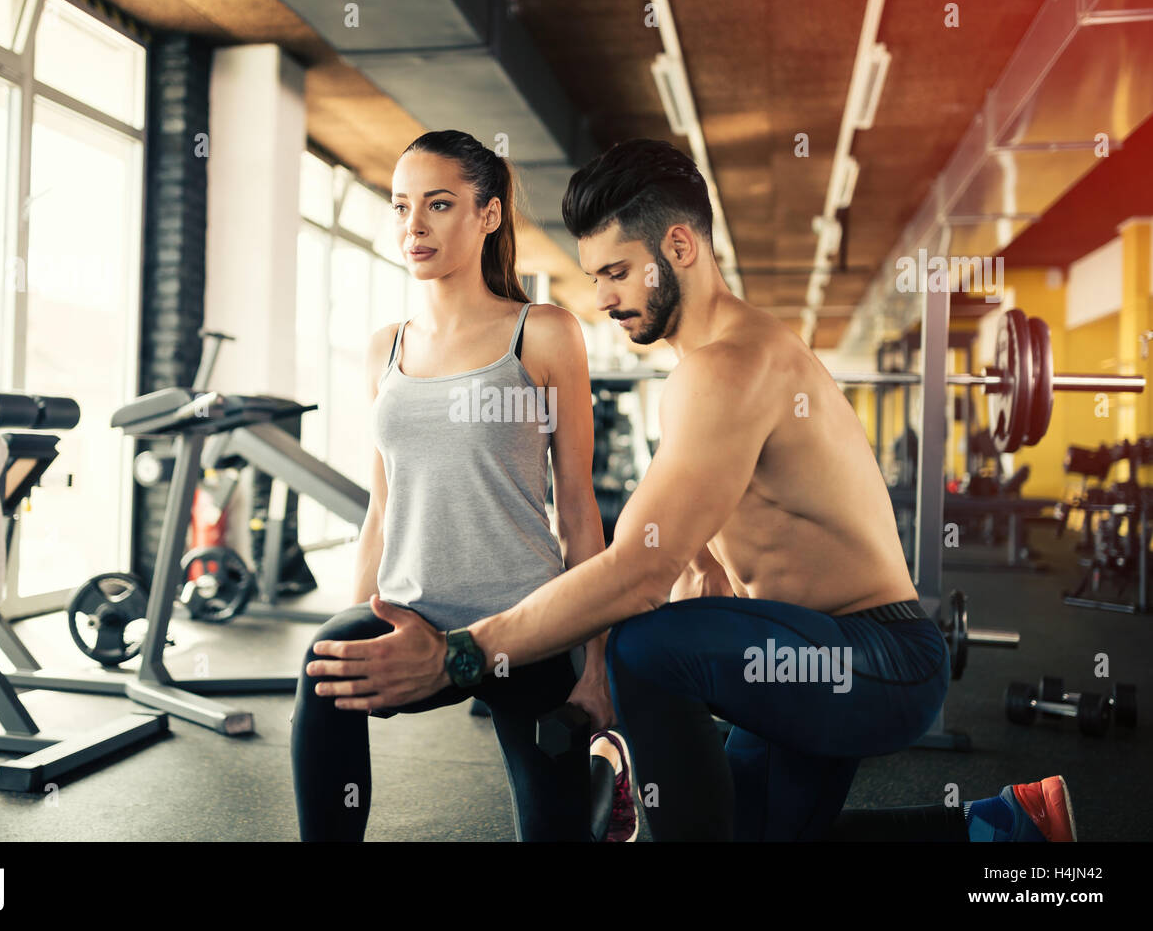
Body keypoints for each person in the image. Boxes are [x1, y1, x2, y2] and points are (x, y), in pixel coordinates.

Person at [308, 138, 1077, 843]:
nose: (603, 299)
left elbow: (636, 574)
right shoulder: (703, 370)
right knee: (751, 829)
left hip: (874, 659)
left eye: (615, 272)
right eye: (594, 278)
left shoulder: (732, 366)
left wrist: (460, 657)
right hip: (806, 653)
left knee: (647, 649)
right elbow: (692, 559)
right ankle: (1007, 825)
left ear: (679, 246)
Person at [291, 129, 637, 842]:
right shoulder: (384, 347)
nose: (413, 225)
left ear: (489, 215)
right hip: (414, 615)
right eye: (399, 206)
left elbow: (577, 508)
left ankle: (605, 773)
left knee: (557, 830)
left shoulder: (542, 334)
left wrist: (595, 668)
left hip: (529, 628)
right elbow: (381, 508)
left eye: (439, 204)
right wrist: (362, 625)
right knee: (324, 665)